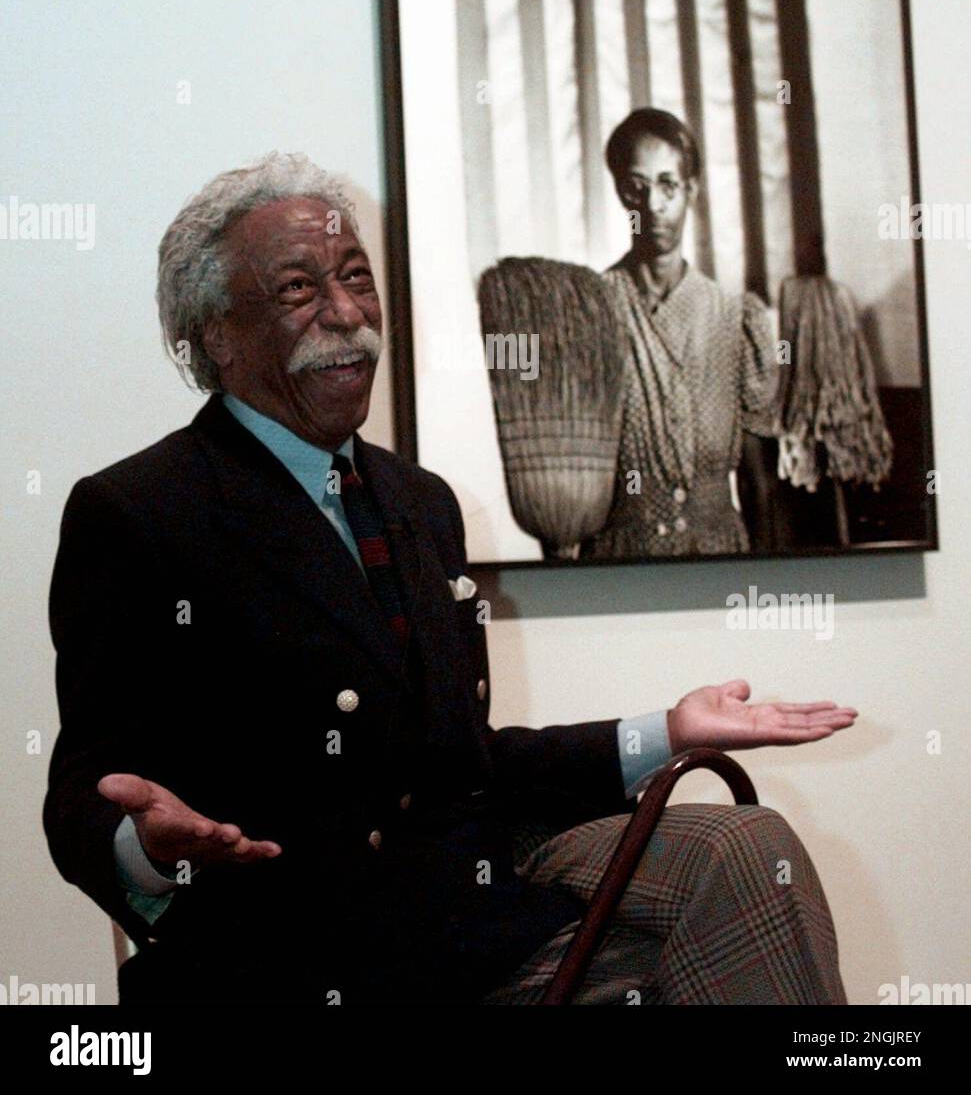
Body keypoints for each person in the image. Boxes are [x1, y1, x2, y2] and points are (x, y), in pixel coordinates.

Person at [44, 151, 856, 1005]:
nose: (348, 314)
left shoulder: (418, 502)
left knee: (745, 851)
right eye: (298, 291)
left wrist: (668, 729)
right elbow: (80, 796)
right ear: (217, 333)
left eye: (357, 278)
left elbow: (466, 761)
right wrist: (146, 846)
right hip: (296, 946)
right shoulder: (139, 513)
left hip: (473, 901)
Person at [580, 109, 781, 561]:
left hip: (719, 557)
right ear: (620, 193)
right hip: (621, 562)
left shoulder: (733, 316)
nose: (653, 205)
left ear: (691, 191)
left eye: (668, 184)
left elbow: (759, 483)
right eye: (637, 186)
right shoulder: (591, 309)